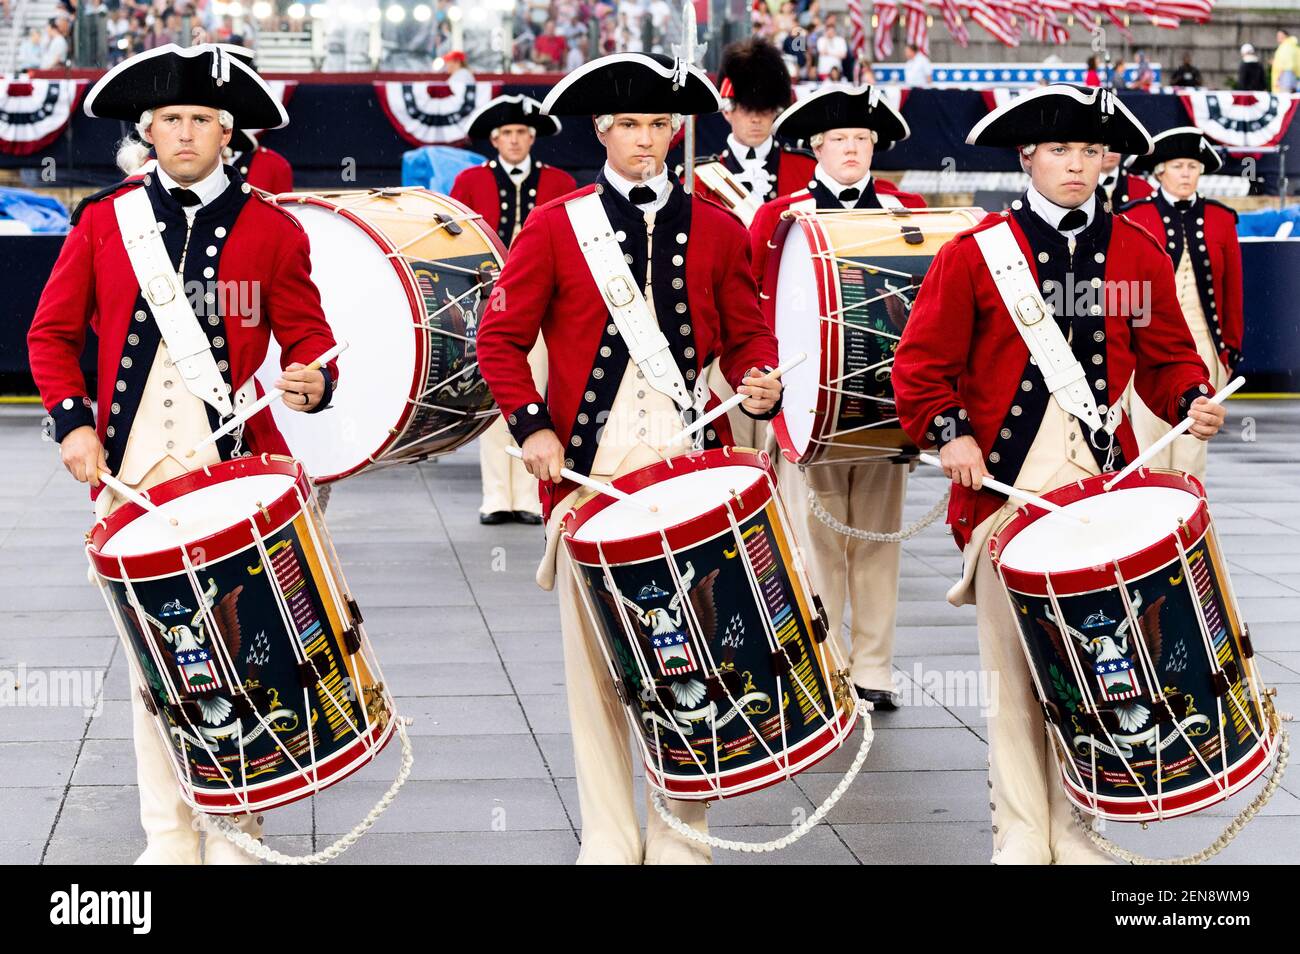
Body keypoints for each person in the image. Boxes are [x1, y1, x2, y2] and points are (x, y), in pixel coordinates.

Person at [891, 84, 1225, 864]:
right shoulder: (974, 255)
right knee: (1012, 678)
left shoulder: (1135, 250)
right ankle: (1019, 835)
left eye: (1091, 153)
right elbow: (922, 368)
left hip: (1098, 491)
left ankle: (1080, 836)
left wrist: (1193, 397)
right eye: (1061, 152)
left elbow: (1168, 357)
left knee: (1097, 671)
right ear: (1028, 158)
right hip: (1005, 492)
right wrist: (951, 436)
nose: (1078, 166)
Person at [26, 43, 339, 865]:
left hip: (230, 472)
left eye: (202, 118)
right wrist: (74, 424)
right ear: (150, 129)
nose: (187, 132)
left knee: (243, 652)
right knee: (154, 658)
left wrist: (313, 375)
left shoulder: (270, 227)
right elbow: (52, 335)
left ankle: (238, 828)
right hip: (131, 475)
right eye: (172, 119)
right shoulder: (104, 220)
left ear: (228, 132)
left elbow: (310, 334)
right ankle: (169, 836)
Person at [475, 52, 782, 864]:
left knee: (694, 667)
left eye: (658, 125)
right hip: (589, 477)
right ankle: (610, 841)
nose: (645, 141)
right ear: (603, 132)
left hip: (691, 473)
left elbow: (749, 330)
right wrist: (533, 426)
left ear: (674, 131)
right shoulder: (554, 225)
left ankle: (684, 839)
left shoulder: (715, 228)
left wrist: (758, 379)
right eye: (630, 126)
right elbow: (499, 339)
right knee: (601, 673)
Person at [748, 86, 923, 712]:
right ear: (817, 147)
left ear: (874, 147)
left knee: (878, 540)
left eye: (862, 140)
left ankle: (874, 668)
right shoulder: (782, 217)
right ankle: (823, 665)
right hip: (806, 408)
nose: (851, 149)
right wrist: (771, 390)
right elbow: (757, 309)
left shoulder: (909, 214)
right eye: (839, 140)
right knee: (812, 542)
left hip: (884, 407)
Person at [451, 94, 576, 525]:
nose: (516, 140)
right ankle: (496, 495)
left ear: (533, 137)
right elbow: (455, 241)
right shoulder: (470, 180)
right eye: (507, 134)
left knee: (537, 392)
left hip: (544, 304)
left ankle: (527, 494)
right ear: (494, 139)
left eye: (523, 132)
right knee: (495, 396)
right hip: (489, 300)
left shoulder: (560, 181)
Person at [1120, 127, 1241, 479]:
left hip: (1205, 346)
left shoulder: (1222, 218)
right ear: (1159, 172)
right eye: (1178, 166)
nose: (1186, 173)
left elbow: (1232, 291)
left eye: (1192, 165)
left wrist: (1230, 349)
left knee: (1192, 449)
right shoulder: (1133, 216)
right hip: (1145, 348)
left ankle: (1189, 526)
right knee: (1147, 445)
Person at [1273, 29, 1298, 93]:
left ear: (1286, 36)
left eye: (1280, 35)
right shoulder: (1293, 46)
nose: (1278, 37)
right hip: (1293, 75)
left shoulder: (1285, 47)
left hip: (1285, 76)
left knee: (1285, 97)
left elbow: (1285, 64)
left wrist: (1278, 79)